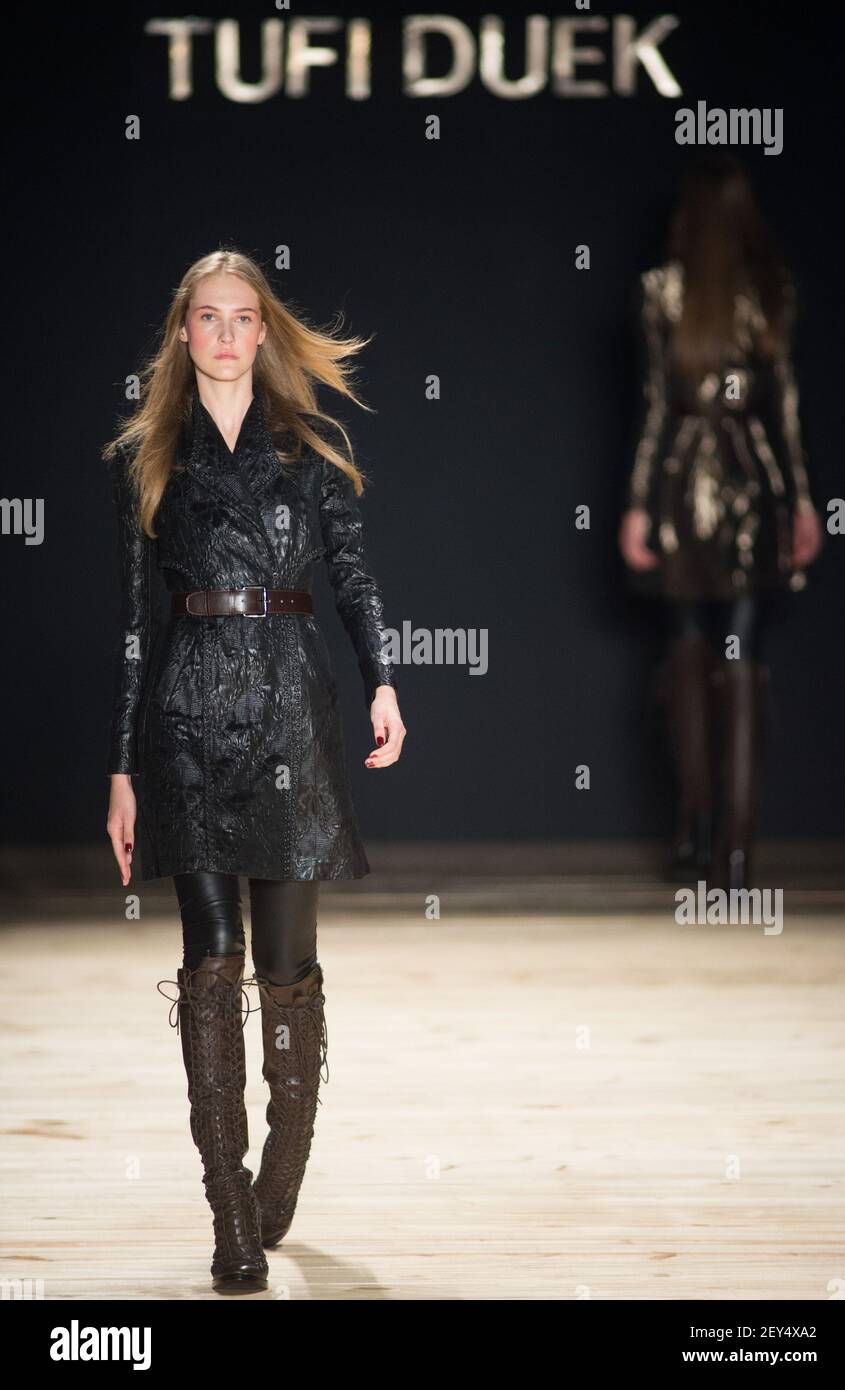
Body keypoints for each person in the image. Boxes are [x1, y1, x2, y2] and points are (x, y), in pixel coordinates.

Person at [104, 249, 407, 1294]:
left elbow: (356, 579)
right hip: (186, 717)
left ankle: (283, 1159)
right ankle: (231, 1212)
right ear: (183, 335)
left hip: (287, 711)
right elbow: (139, 628)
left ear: (263, 334)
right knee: (210, 962)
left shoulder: (311, 453)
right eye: (207, 318)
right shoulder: (154, 460)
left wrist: (384, 683)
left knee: (285, 963)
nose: (227, 334)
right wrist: (121, 770)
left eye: (243, 317)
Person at [618, 155, 822, 891]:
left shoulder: (666, 291)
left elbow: (656, 407)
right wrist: (799, 500)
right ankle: (729, 845)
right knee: (733, 653)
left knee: (693, 649)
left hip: (683, 482)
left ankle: (702, 831)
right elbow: (783, 411)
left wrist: (641, 502)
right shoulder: (765, 292)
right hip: (750, 481)